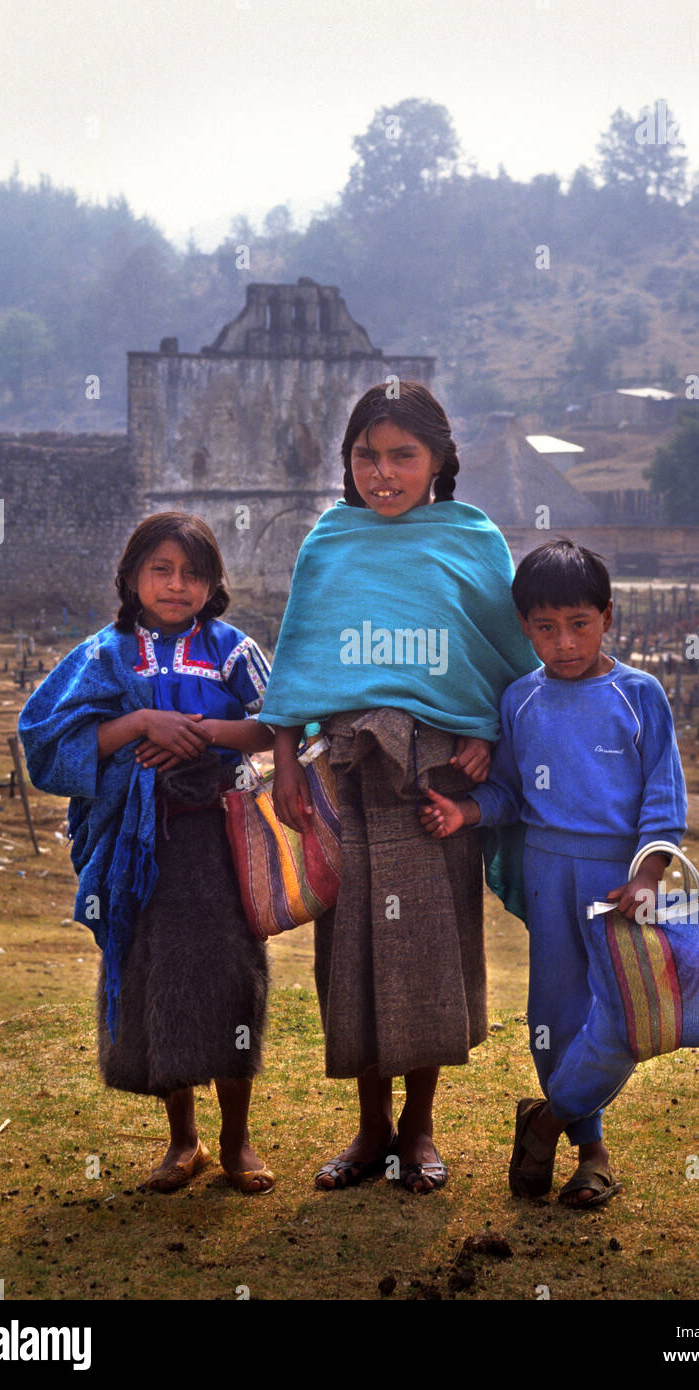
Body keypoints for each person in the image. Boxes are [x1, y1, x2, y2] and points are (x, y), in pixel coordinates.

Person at [258, 382, 538, 1194]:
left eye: (402, 456)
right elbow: (301, 663)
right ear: (348, 463)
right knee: (352, 956)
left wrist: (485, 735)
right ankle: (369, 1130)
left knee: (426, 953)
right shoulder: (329, 543)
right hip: (344, 777)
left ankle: (418, 1131)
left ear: (441, 460)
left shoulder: (472, 539)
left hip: (436, 787)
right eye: (366, 456)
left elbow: (496, 655)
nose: (382, 473)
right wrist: (283, 758)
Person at [419, 538, 687, 1208]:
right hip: (546, 868)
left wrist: (650, 873)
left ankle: (544, 1120)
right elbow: (511, 794)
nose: (563, 643)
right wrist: (468, 813)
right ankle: (591, 1154)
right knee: (555, 1016)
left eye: (579, 624)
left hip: (617, 879)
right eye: (545, 628)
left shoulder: (639, 696)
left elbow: (664, 798)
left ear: (608, 616)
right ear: (525, 628)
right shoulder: (520, 700)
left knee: (627, 1018)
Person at [18, 512, 277, 1194]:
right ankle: (183, 1140)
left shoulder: (231, 650)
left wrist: (207, 731)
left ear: (213, 583)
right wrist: (136, 722)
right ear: (131, 578)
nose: (175, 585)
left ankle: (236, 1139)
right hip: (139, 847)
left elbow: (280, 724)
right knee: (156, 980)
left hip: (218, 840)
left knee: (231, 981)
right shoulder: (103, 656)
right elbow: (45, 742)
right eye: (159, 570)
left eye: (193, 573)